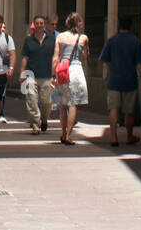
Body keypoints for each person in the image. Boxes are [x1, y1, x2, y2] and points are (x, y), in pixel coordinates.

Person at [100, 17, 141, 148]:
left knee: (113, 109)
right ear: (131, 26)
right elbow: (139, 63)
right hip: (129, 80)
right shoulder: (135, 41)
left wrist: (107, 75)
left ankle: (114, 137)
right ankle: (129, 136)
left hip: (114, 80)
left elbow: (106, 62)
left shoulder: (111, 41)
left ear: (119, 26)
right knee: (129, 111)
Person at [52, 12, 89, 145]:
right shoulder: (83, 37)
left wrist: (52, 75)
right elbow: (86, 54)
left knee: (63, 104)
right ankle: (68, 134)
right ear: (79, 24)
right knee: (73, 104)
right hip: (76, 70)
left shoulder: (60, 36)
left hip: (63, 71)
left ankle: (62, 134)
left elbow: (56, 57)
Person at [19, 15, 56, 135]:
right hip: (31, 75)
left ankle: (44, 120)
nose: (39, 25)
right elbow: (25, 57)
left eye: (41, 23)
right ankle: (35, 124)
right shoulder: (28, 40)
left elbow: (55, 58)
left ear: (44, 24)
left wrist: (54, 75)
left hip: (46, 75)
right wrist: (22, 73)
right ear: (34, 25)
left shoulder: (52, 39)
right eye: (37, 23)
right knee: (31, 100)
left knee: (46, 102)